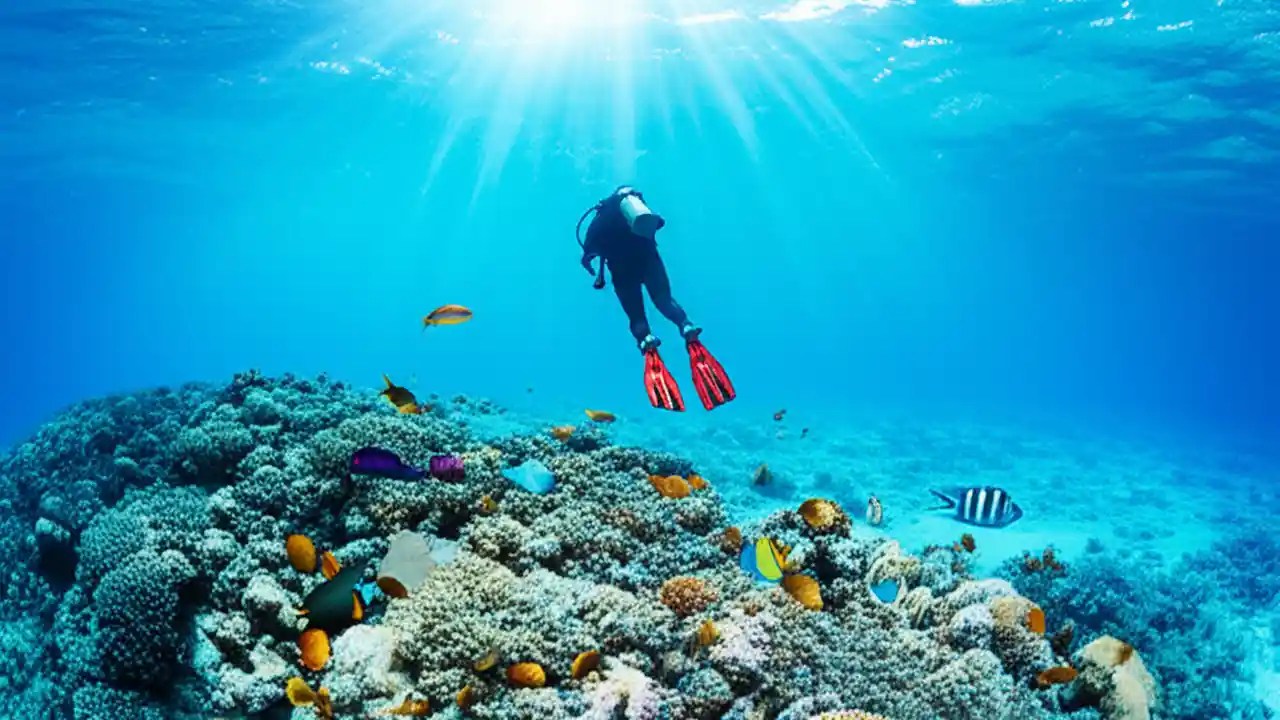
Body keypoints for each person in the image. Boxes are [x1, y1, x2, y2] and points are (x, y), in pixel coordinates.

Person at [576, 186, 735, 412]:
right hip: (650, 262)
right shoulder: (638, 211)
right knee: (664, 301)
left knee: (636, 316)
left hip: (622, 271)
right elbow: (658, 224)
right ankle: (686, 326)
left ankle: (647, 341)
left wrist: (591, 262)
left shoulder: (601, 219)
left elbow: (587, 251)